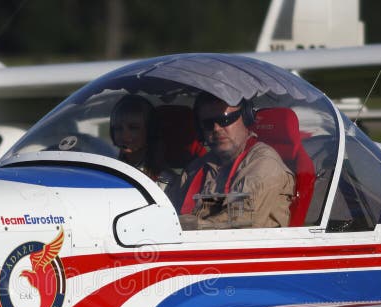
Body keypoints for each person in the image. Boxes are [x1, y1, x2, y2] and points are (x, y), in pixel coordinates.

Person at [166, 92, 294, 230]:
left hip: (241, 242)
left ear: (245, 118)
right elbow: (169, 210)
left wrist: (181, 226)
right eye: (208, 123)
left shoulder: (264, 163)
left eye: (225, 120)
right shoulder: (197, 168)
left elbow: (240, 221)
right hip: (193, 241)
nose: (216, 129)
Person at [110, 94, 176, 188]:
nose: (125, 136)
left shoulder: (166, 181)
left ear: (150, 131)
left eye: (133, 128)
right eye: (118, 128)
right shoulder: (107, 172)